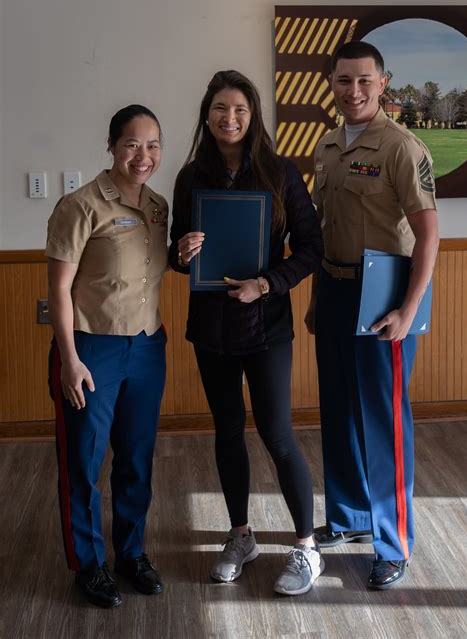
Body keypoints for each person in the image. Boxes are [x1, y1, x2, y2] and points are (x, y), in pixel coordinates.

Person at [169, 70, 324, 595]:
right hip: (211, 327)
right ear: (206, 115)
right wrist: (183, 251)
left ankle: (305, 547)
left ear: (253, 115)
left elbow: (309, 248)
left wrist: (266, 284)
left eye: (239, 109)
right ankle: (241, 536)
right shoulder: (191, 176)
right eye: (219, 108)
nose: (228, 118)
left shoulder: (281, 172)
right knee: (227, 431)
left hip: (267, 325)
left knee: (277, 433)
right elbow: (174, 252)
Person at [305, 41, 439, 589]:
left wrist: (409, 310)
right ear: (332, 84)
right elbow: (323, 228)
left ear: (384, 83)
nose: (353, 91)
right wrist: (315, 298)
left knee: (384, 422)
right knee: (336, 410)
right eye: (343, 80)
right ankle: (349, 518)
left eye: (364, 81)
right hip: (335, 291)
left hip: (384, 297)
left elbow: (429, 234)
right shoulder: (328, 145)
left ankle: (393, 540)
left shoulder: (403, 148)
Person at [47, 105, 169, 608]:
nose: (143, 156)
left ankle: (131, 553)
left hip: (145, 348)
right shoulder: (80, 205)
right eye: (132, 144)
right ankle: (88, 564)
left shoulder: (159, 207)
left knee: (137, 460)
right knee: (84, 460)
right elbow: (57, 288)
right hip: (91, 348)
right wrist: (70, 360)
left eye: (153, 145)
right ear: (112, 145)